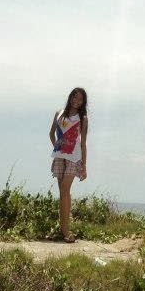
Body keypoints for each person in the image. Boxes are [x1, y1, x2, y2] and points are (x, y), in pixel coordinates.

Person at [49, 87, 88, 242]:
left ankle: (65, 231)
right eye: (75, 97)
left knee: (65, 189)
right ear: (70, 97)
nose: (77, 101)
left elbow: (83, 143)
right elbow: (51, 133)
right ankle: (63, 229)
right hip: (59, 155)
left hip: (74, 157)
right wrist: (57, 147)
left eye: (80, 99)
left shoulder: (83, 118)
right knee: (62, 193)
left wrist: (84, 165)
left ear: (83, 102)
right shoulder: (59, 113)